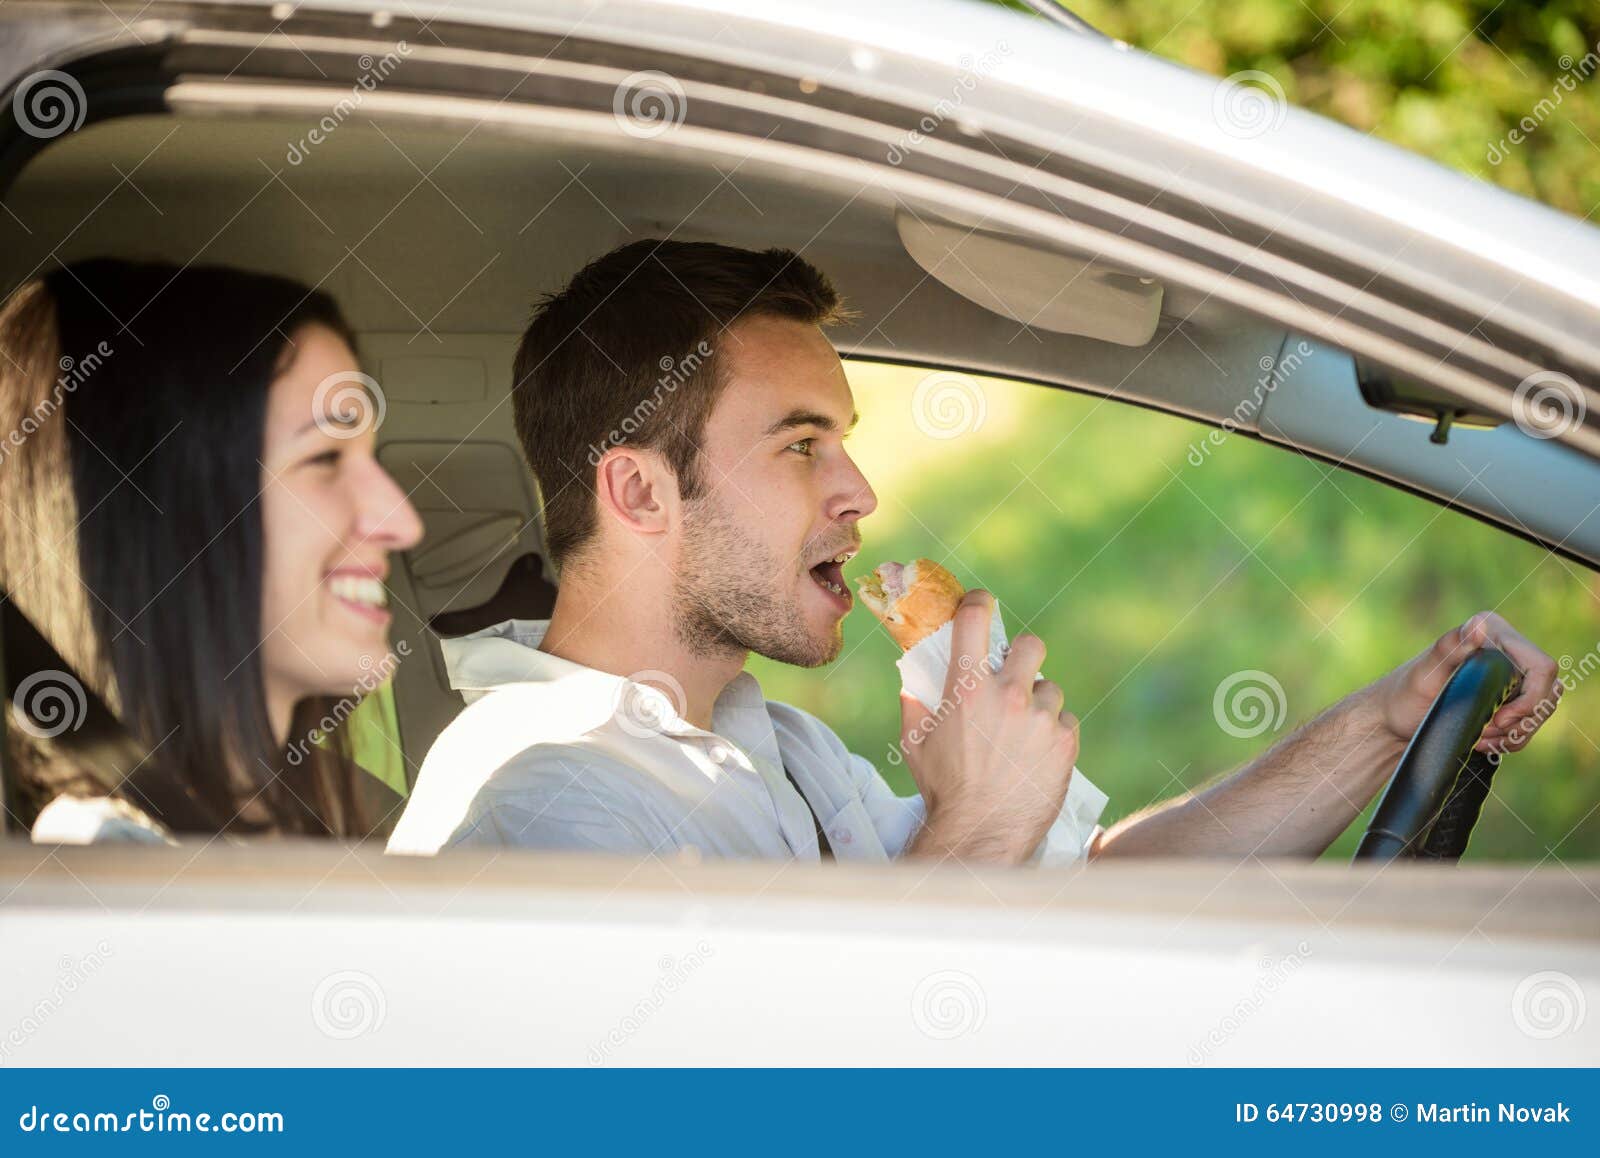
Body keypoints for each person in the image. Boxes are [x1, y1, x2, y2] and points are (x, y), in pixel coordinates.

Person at [387, 239, 1561, 864]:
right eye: (802, 447)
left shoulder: (765, 741)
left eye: (842, 442)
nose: (861, 492)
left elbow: (1094, 886)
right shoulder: (546, 803)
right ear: (639, 489)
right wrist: (979, 824)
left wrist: (1379, 723)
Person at [0, 259, 423, 842]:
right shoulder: (109, 869)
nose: (402, 522)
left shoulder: (283, 832)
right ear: (166, 515)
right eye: (325, 458)